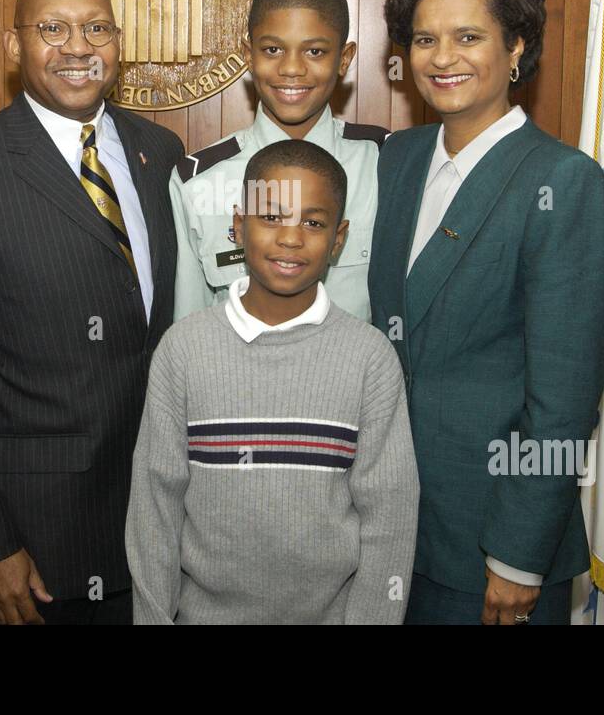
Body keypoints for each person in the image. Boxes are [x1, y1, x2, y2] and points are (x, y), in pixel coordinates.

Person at [367, 0, 604, 625]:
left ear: (516, 49)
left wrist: (518, 554)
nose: (442, 58)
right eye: (423, 39)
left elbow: (564, 402)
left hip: (492, 550)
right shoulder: (398, 158)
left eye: (468, 36)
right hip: (387, 529)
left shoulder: (560, 181)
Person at [0, 0, 184, 625]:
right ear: (14, 48)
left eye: (96, 28)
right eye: (53, 29)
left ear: (118, 44)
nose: (78, 47)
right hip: (34, 553)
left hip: (154, 530)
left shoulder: (161, 153)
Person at [127, 139, 419, 624]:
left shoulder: (370, 358)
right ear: (239, 227)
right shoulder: (183, 351)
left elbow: (389, 518)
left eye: (313, 222)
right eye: (271, 217)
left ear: (339, 238)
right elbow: (153, 514)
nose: (290, 238)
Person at [170, 0, 386, 323]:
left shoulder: (382, 164)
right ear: (248, 55)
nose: (291, 69)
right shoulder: (197, 182)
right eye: (272, 49)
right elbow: (189, 325)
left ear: (344, 59)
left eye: (314, 51)